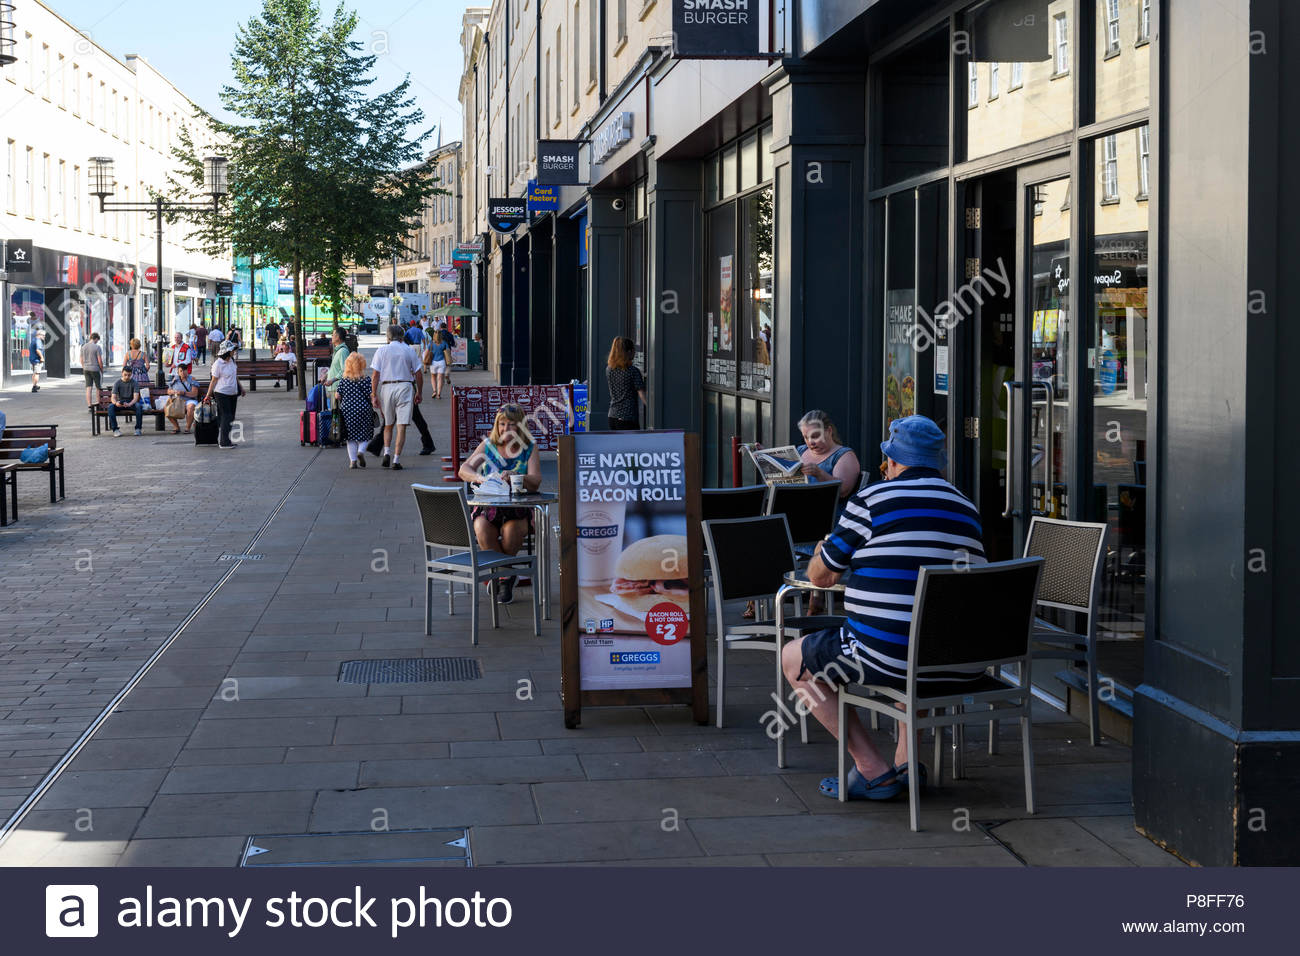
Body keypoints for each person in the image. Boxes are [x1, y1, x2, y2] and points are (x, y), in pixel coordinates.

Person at [779, 415, 986, 801]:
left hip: (889, 658)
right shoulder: (965, 507)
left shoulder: (872, 501)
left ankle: (871, 768)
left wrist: (825, 548)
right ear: (936, 463)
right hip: (961, 662)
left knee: (794, 659)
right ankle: (907, 766)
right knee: (918, 635)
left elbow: (821, 578)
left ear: (892, 462)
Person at [457, 403, 542, 604]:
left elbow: (536, 480)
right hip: (488, 507)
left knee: (512, 531)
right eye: (502, 424)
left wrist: (516, 476)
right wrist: (479, 478)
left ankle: (499, 575)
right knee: (481, 528)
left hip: (518, 509)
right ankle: (506, 574)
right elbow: (463, 470)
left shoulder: (529, 447)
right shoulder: (488, 446)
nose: (505, 429)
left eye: (511, 425)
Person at [368, 324, 423, 470]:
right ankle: (396, 460)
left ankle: (386, 452)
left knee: (388, 424)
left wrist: (374, 394)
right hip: (405, 387)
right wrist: (419, 392)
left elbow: (375, 375)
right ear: (402, 336)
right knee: (401, 426)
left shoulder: (381, 350)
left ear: (388, 336)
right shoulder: (409, 350)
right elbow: (418, 373)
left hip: (387, 387)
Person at [795, 410, 861, 506]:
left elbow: (843, 491)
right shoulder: (801, 450)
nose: (810, 442)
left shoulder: (844, 455)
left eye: (815, 436)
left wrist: (819, 474)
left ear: (829, 431)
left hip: (828, 514)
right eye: (806, 437)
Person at [203, 339, 245, 449]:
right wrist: (208, 395)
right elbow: (213, 381)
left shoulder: (232, 361)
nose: (233, 352)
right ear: (227, 351)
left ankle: (226, 438)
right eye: (232, 350)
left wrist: (241, 387)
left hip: (233, 393)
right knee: (227, 416)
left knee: (231, 417)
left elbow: (235, 376)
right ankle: (224, 441)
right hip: (221, 393)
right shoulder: (218, 364)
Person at [337, 352, 375, 469]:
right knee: (365, 434)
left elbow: (338, 396)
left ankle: (353, 461)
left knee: (350, 437)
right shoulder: (366, 379)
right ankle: (361, 452)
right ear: (362, 364)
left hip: (347, 411)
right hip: (363, 410)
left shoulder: (344, 380)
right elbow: (371, 394)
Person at [605, 336, 646, 430]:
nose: (635, 353)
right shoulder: (633, 371)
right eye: (633, 350)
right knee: (631, 444)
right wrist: (652, 408)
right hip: (628, 418)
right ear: (628, 352)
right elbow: (642, 394)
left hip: (612, 415)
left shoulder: (609, 369)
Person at [107, 366, 143, 437]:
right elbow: (113, 398)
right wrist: (116, 403)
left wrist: (130, 404)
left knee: (138, 406)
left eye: (129, 375)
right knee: (110, 407)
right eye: (125, 375)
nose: (127, 377)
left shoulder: (134, 383)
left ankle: (138, 429)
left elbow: (135, 398)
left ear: (131, 374)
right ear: (122, 373)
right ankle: (115, 430)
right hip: (121, 402)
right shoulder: (117, 383)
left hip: (131, 402)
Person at [167, 364, 202, 434]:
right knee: (167, 408)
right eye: (181, 371)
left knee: (191, 407)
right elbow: (168, 391)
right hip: (177, 400)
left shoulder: (192, 379)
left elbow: (194, 394)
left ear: (187, 371)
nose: (183, 372)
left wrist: (183, 393)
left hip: (190, 400)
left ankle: (187, 428)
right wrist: (173, 392)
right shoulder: (175, 379)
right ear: (178, 372)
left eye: (184, 370)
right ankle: (176, 427)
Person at [322, 327, 349, 405]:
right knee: (333, 412)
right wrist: (326, 376)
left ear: (338, 336)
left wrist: (332, 380)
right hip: (333, 387)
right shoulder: (338, 350)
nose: (332, 337)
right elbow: (336, 368)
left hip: (337, 388)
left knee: (336, 413)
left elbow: (344, 370)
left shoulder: (343, 351)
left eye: (333, 335)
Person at [424, 328, 451, 400]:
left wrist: (424, 362)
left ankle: (434, 391)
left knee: (433, 377)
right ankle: (439, 394)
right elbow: (448, 352)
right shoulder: (444, 343)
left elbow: (426, 352)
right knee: (440, 378)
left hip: (433, 363)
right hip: (442, 362)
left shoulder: (431, 343)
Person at [82, 332, 105, 409]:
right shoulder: (97, 347)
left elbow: (81, 359)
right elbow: (99, 360)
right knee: (98, 387)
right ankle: (99, 403)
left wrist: (84, 367)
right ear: (95, 339)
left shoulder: (83, 347)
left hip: (86, 369)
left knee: (89, 387)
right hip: (95, 369)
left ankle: (89, 404)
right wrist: (102, 369)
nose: (97, 342)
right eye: (97, 340)